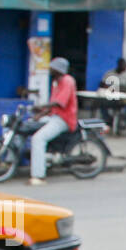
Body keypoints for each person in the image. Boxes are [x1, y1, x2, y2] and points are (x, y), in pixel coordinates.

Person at [28, 56, 77, 186]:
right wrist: (39, 115)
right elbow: (52, 105)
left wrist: (42, 107)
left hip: (64, 119)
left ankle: (39, 176)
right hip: (54, 117)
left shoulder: (67, 81)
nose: (50, 70)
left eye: (52, 68)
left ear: (58, 70)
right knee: (28, 125)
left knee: (38, 139)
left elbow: (60, 103)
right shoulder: (56, 83)